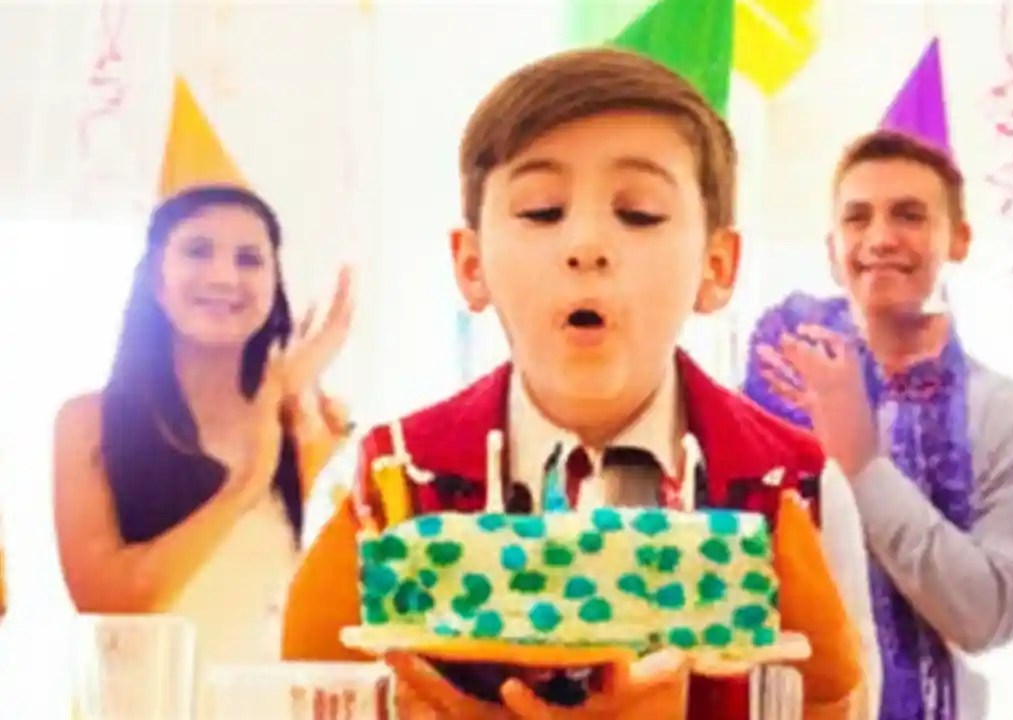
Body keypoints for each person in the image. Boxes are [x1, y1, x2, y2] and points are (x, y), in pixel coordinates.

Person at [282, 48, 879, 719]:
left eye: (641, 213)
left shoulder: (795, 491)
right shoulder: (381, 491)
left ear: (717, 264)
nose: (588, 244)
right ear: (471, 264)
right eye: (541, 211)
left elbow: (841, 699)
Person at [745, 129, 1013, 719]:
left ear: (959, 240)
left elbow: (986, 619)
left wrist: (862, 466)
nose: (880, 239)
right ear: (831, 248)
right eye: (857, 218)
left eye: (910, 215)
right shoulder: (773, 386)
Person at [53, 185, 353, 666]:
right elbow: (110, 603)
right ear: (156, 277)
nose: (223, 276)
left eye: (249, 259)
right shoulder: (88, 422)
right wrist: (246, 483)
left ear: (275, 284)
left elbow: (341, 598)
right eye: (197, 251)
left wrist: (293, 402)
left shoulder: (306, 423)